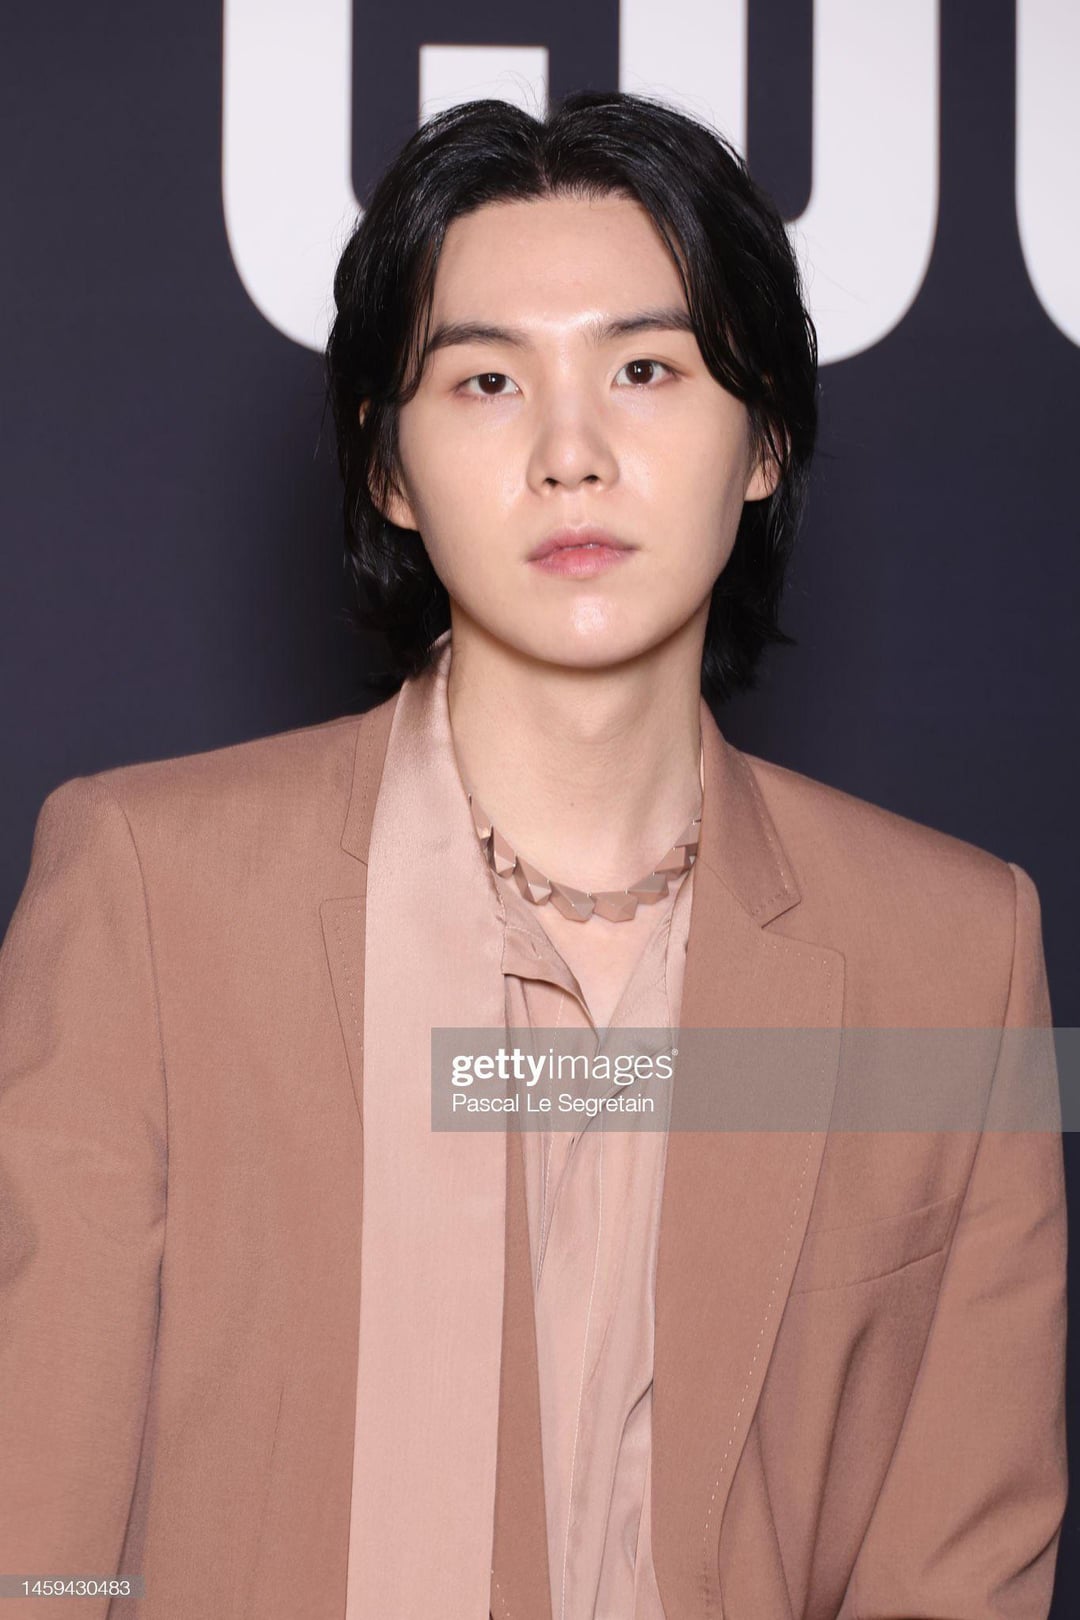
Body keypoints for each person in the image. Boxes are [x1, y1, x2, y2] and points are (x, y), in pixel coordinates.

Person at [0, 90, 1066, 1620]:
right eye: (488, 381)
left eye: (647, 368)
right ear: (388, 469)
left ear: (762, 437)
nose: (572, 453)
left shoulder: (957, 956)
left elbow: (958, 1573)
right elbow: (36, 1547)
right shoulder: (150, 897)